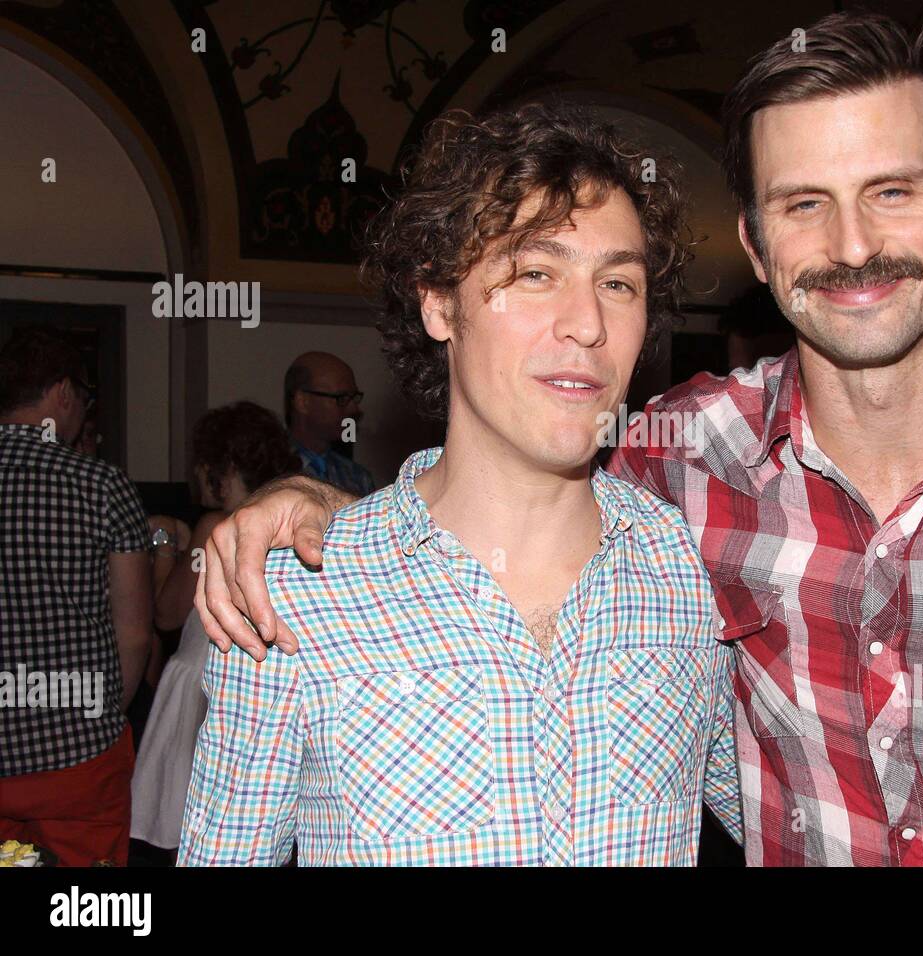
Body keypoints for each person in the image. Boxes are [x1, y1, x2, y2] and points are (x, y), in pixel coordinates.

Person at [196, 9, 923, 866]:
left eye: (892, 191)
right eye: (803, 204)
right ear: (758, 249)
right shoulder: (686, 466)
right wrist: (311, 506)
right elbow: (506, 471)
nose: (850, 244)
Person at [177, 103, 740, 866]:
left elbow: (799, 821)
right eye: (536, 273)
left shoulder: (692, 571)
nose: (587, 324)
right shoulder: (298, 595)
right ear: (439, 302)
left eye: (618, 283)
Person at [0, 326, 152, 866]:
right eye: (85, 400)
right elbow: (134, 634)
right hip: (78, 756)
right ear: (63, 392)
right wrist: (104, 711)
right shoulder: (102, 485)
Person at [131, 402, 300, 856]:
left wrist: (164, 544)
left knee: (188, 831)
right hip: (255, 683)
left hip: (201, 687)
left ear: (221, 466)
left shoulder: (215, 525)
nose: (194, 472)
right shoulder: (280, 525)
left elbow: (166, 614)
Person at [284, 352, 375, 496]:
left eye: (354, 398)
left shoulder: (358, 478)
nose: (354, 409)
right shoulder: (267, 469)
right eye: (341, 398)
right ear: (302, 401)